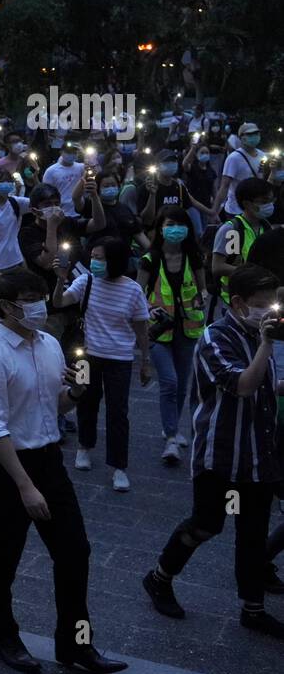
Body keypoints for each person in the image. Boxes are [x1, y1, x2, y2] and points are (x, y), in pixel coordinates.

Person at [0, 269, 128, 674]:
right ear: (7, 307)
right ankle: (3, 636)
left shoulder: (50, 345)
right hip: (7, 470)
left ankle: (76, 644)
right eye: (30, 298)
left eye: (41, 296)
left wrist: (74, 393)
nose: (40, 305)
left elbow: (52, 407)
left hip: (49, 462)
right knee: (4, 557)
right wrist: (25, 487)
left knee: (75, 552)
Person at [142, 265, 284, 640]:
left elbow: (266, 384)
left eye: (272, 302)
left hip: (258, 453)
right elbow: (243, 384)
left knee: (252, 534)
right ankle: (159, 578)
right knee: (207, 525)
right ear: (237, 303)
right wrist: (269, 345)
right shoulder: (214, 338)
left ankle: (252, 609)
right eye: (260, 304)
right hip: (220, 456)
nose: (269, 310)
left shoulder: (257, 332)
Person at [53, 236, 152, 490]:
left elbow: (142, 329)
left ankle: (119, 466)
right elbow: (59, 302)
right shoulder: (85, 282)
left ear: (115, 260)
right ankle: (84, 447)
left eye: (99, 258)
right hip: (87, 354)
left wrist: (145, 361)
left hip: (119, 358)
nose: (94, 262)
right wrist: (60, 278)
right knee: (86, 401)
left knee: (118, 411)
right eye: (93, 257)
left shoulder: (132, 290)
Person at [136, 208, 207, 464]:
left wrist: (201, 298)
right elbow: (137, 294)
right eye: (170, 224)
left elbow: (202, 290)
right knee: (169, 381)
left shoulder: (194, 257)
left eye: (180, 224)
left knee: (182, 382)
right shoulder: (150, 259)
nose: (175, 228)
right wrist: (149, 308)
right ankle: (171, 439)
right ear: (160, 228)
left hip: (187, 329)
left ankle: (171, 427)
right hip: (158, 332)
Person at [212, 176, 273, 317]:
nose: (269, 205)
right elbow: (218, 267)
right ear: (247, 203)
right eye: (264, 202)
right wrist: (252, 273)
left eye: (271, 201)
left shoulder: (266, 227)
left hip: (262, 300)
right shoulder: (233, 231)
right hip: (236, 303)